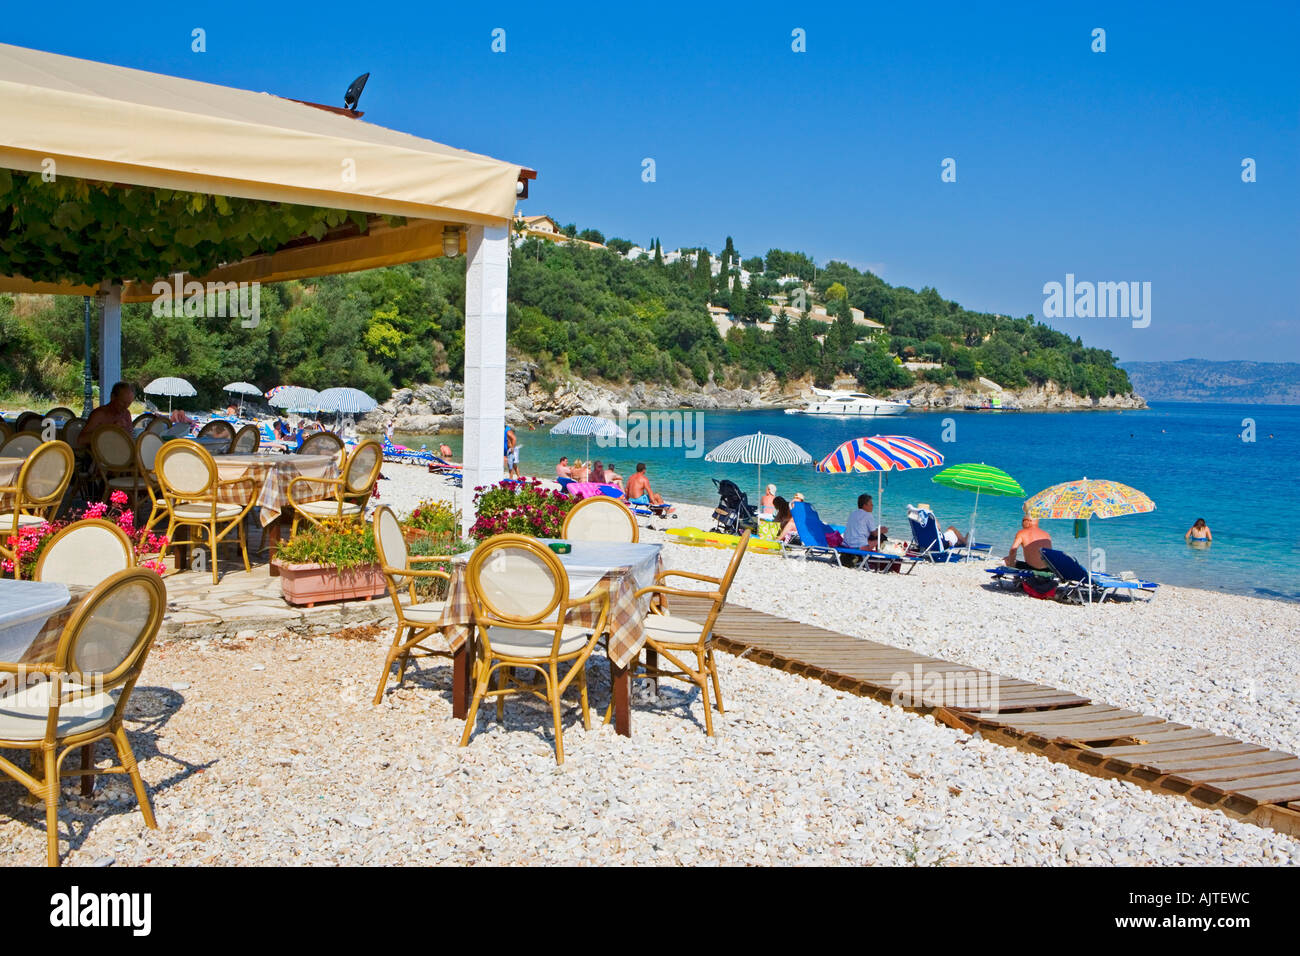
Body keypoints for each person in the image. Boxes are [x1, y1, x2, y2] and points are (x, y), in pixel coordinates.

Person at [80, 381, 135, 447]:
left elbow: (130, 438)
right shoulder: (100, 414)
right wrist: (110, 430)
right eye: (123, 402)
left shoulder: (126, 413)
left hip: (120, 453)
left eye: (129, 403)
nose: (125, 406)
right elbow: (81, 440)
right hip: (99, 456)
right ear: (113, 397)